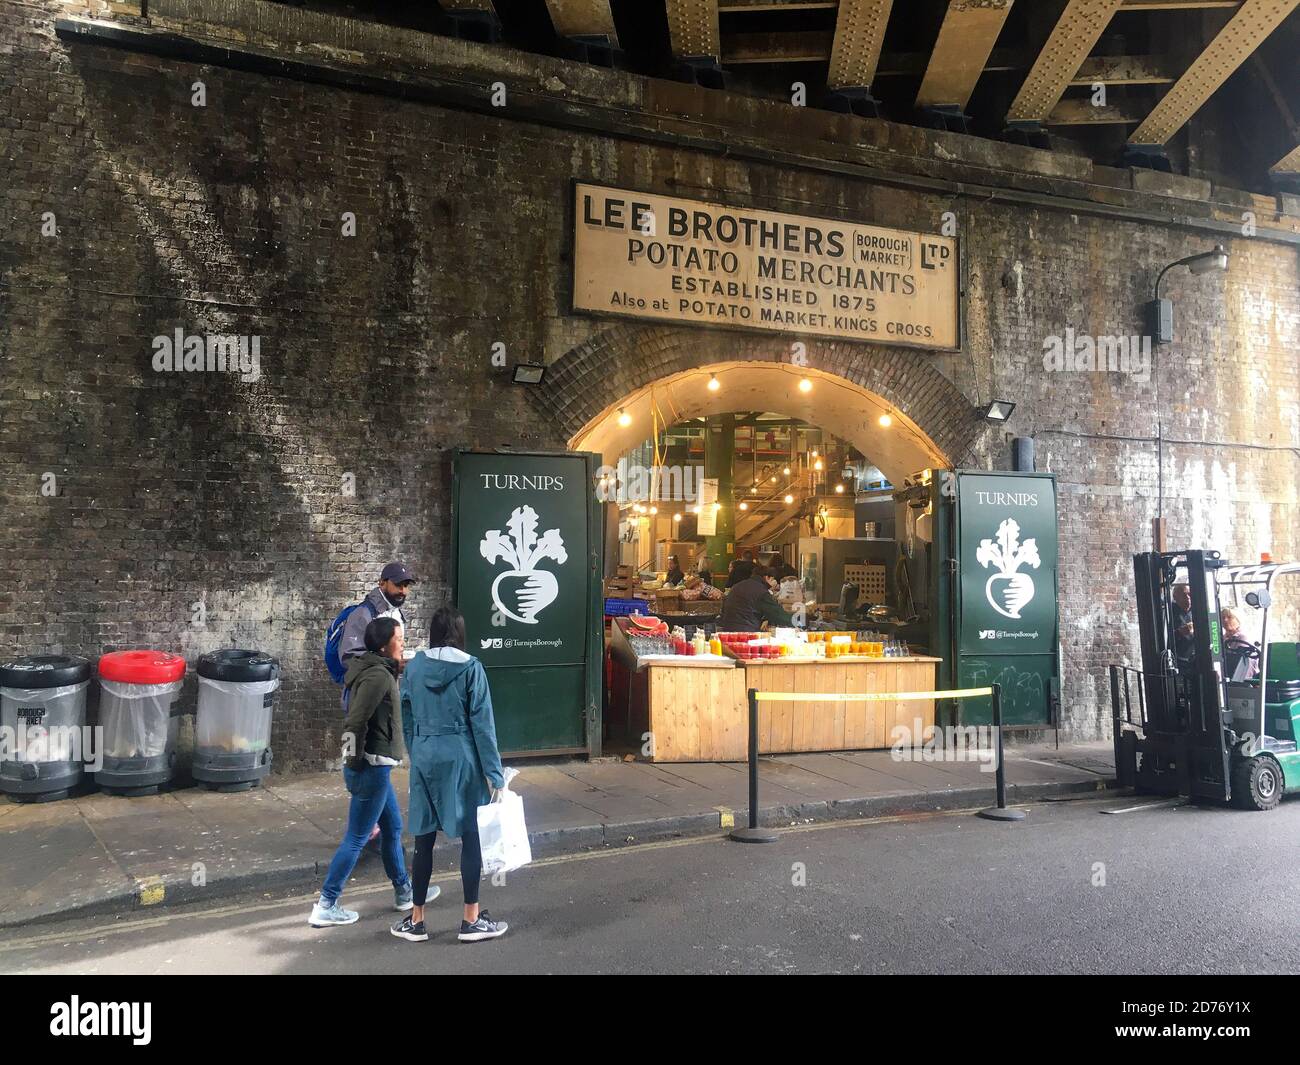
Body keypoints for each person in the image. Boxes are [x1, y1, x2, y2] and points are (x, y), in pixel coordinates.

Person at [393, 605, 508, 944]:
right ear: (460, 633)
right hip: (462, 756)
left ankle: (416, 920)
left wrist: (418, 752)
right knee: (470, 836)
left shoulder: (414, 669)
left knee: (424, 838)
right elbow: (483, 726)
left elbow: (407, 713)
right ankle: (470, 919)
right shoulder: (472, 668)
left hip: (426, 754)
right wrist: (495, 774)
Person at [309, 616, 418, 928]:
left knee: (393, 828)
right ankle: (326, 903)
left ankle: (403, 892)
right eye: (399, 639)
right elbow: (354, 723)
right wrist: (353, 761)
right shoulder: (377, 677)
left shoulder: (375, 669)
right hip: (370, 767)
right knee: (356, 838)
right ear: (384, 646)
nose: (403, 644)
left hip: (376, 768)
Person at [340, 562, 417, 664]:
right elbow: (350, 657)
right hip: (370, 679)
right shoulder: (363, 614)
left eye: (406, 585)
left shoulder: (396, 612)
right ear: (382, 583)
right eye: (398, 584)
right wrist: (389, 665)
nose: (403, 591)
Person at [718, 562, 794, 632]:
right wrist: (799, 620)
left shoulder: (738, 586)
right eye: (773, 579)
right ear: (767, 577)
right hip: (747, 632)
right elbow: (778, 615)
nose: (775, 583)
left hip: (728, 629)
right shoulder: (761, 591)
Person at [1221, 608, 1260, 680]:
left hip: (1244, 677)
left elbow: (1238, 662)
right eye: (1223, 618)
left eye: (1229, 617)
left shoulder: (1243, 637)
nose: (1225, 620)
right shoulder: (1222, 638)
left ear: (1237, 620)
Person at [1171, 583, 1195, 667]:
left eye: (1189, 594)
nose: (1188, 597)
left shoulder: (1197, 610)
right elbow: (1163, 638)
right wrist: (1179, 633)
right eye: (1184, 595)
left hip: (1195, 656)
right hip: (1177, 659)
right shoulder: (1169, 612)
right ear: (1175, 597)